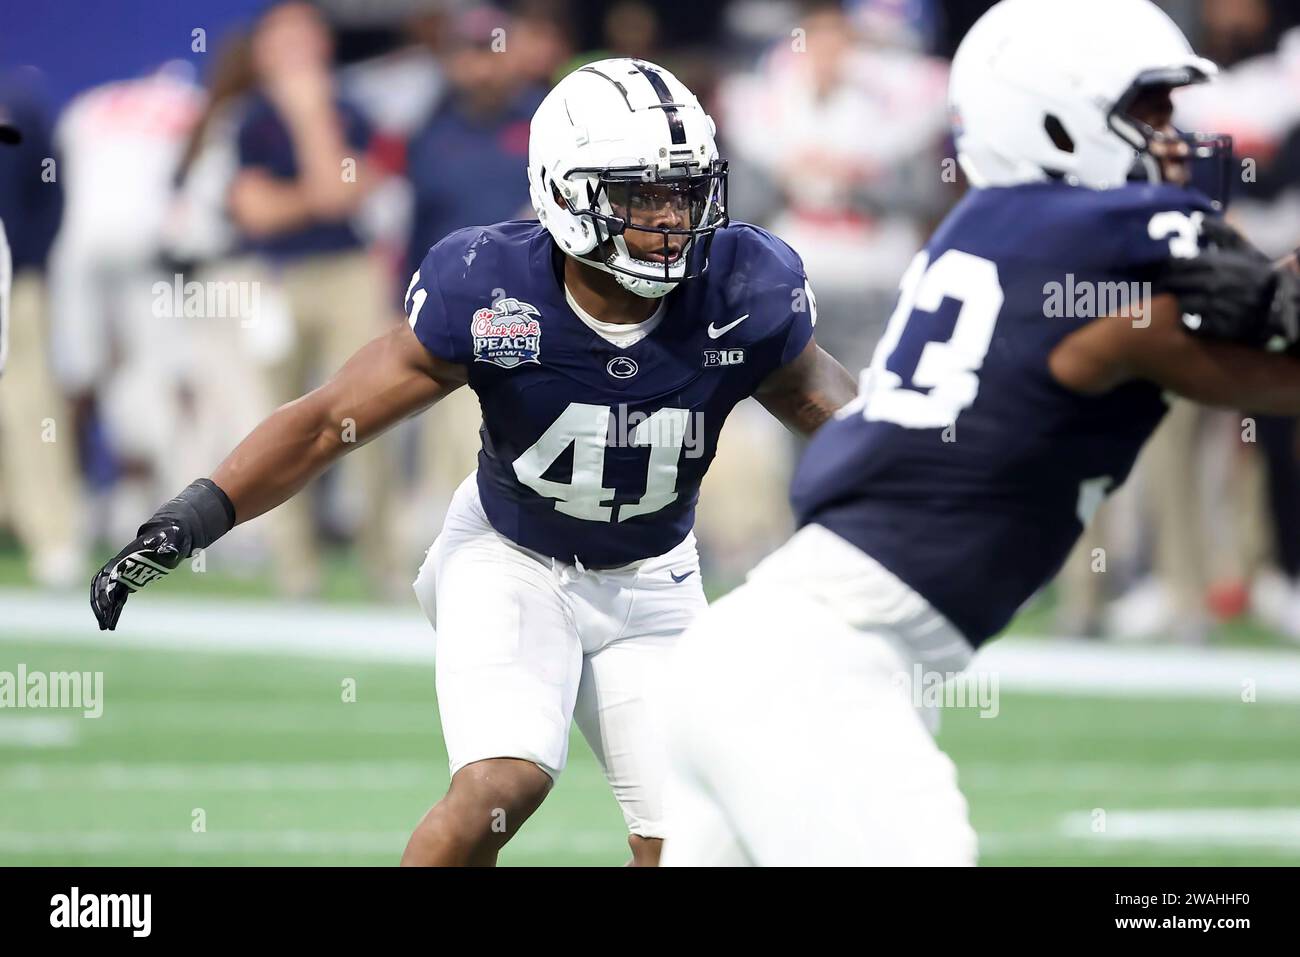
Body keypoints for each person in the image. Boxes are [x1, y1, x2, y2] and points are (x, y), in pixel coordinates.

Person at [89, 58, 857, 867]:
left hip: (655, 577)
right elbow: (325, 424)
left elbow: (848, 418)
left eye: (685, 190)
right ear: (568, 193)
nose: (673, 217)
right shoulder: (492, 289)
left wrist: (949, 499)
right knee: (501, 785)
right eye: (642, 195)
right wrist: (193, 516)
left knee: (695, 837)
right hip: (511, 559)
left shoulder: (742, 286)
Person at [659, 0, 1300, 866]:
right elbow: (1268, 318)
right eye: (1148, 108)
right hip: (823, 669)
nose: (1176, 135)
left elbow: (1246, 358)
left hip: (777, 650)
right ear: (1055, 119)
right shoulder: (1105, 245)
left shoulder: (1000, 234)